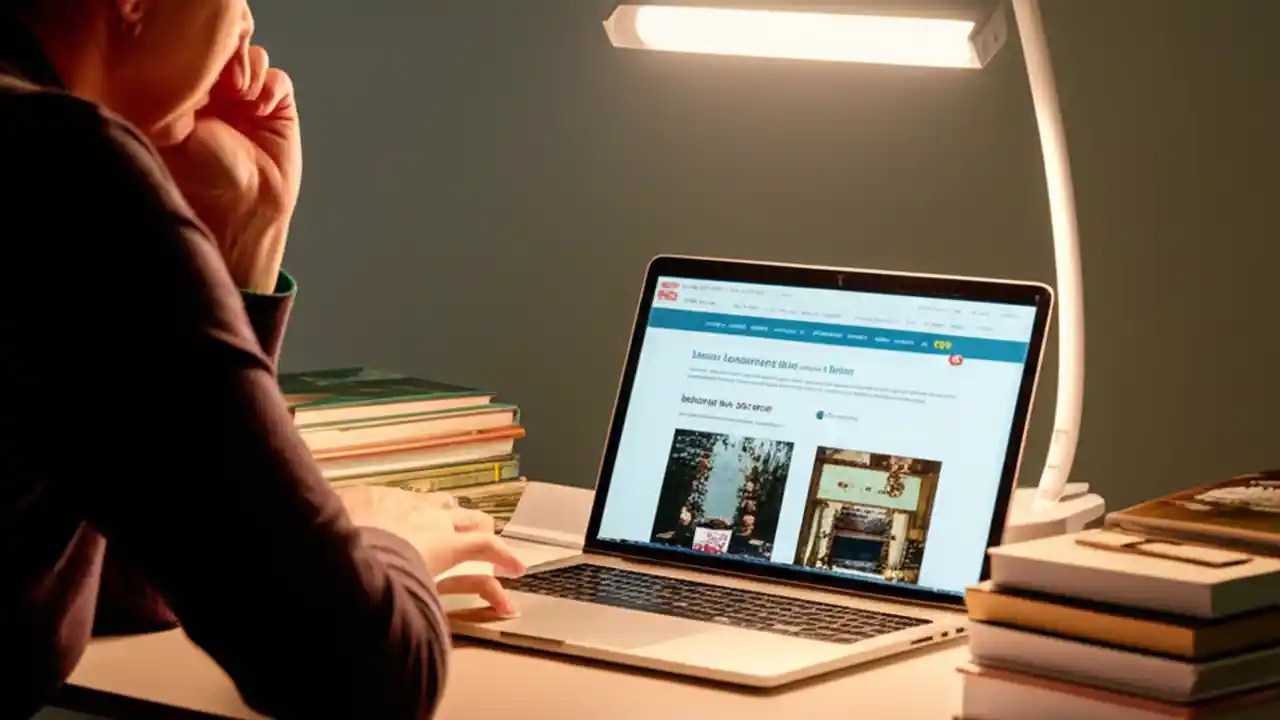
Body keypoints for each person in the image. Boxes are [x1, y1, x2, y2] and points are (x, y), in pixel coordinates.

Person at [0, 1, 526, 717]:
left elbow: (128, 585)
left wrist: (246, 231)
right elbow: (358, 673)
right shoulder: (68, 171)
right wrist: (389, 543)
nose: (245, 22)